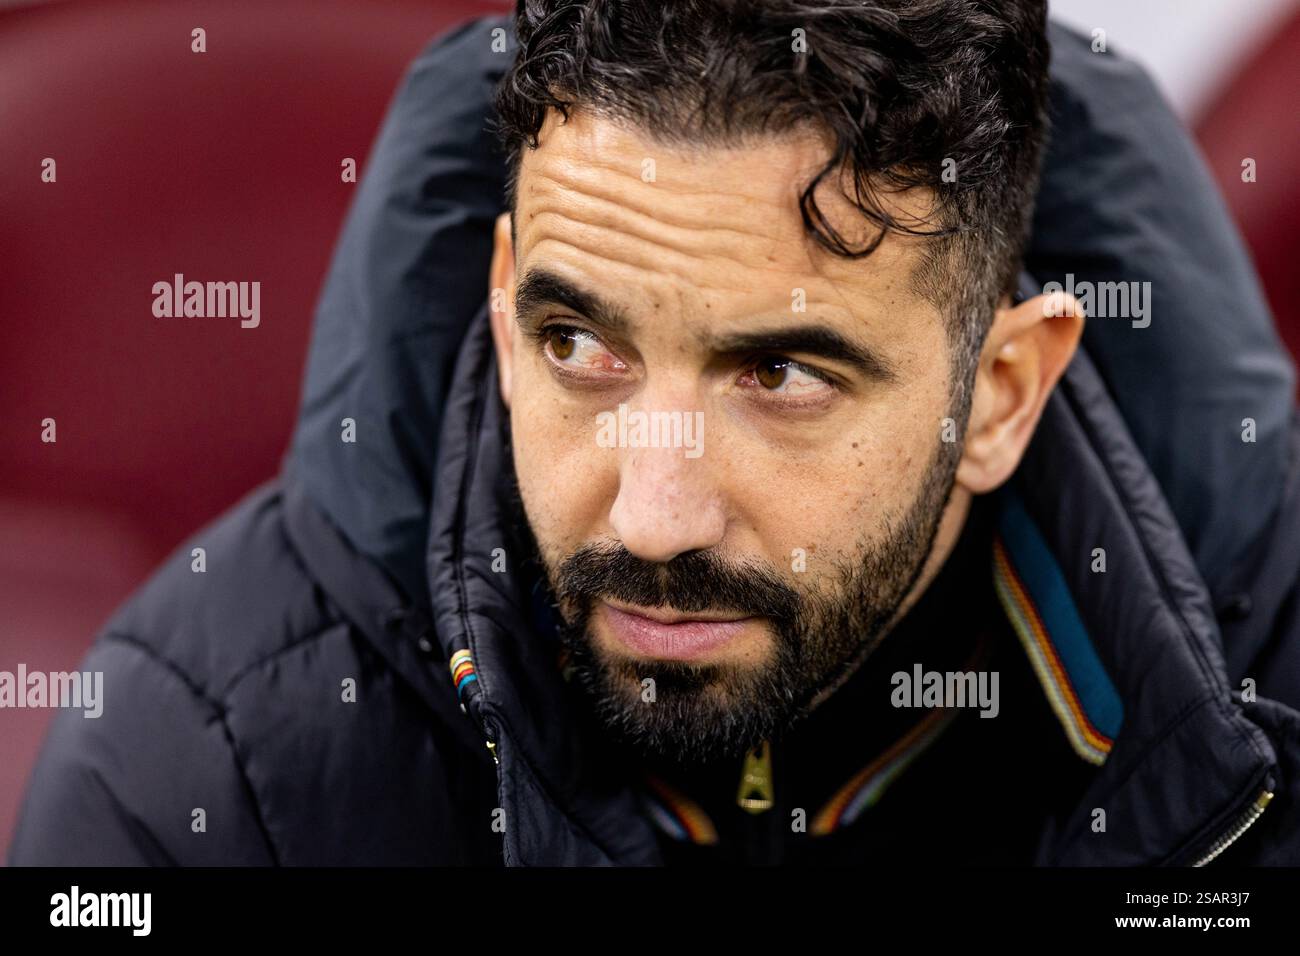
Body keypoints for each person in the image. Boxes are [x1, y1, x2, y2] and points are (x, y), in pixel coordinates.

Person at [10, 1, 1300, 866]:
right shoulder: (203, 780)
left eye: (782, 372)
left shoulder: (1275, 695)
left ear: (1002, 394)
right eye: (579, 345)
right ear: (508, 314)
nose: (652, 518)